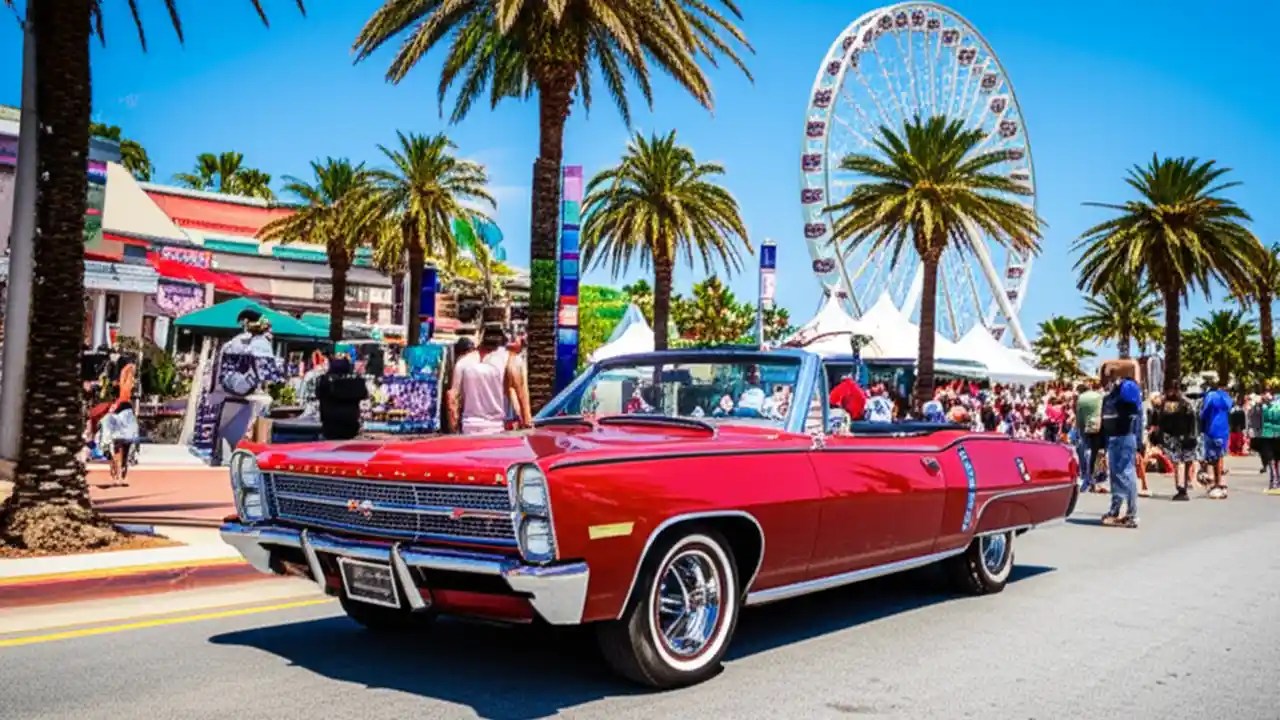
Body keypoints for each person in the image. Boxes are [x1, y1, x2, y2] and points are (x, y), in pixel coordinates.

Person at [450, 326, 531, 435]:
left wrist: (454, 430)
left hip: (468, 427)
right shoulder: (508, 359)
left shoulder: (463, 362)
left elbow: (452, 399)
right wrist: (526, 421)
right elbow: (520, 394)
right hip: (496, 428)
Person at [1100, 372, 1142, 527]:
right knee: (1115, 476)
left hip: (1124, 437)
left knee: (1126, 473)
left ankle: (1131, 513)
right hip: (1113, 438)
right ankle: (1115, 509)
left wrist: (1122, 383)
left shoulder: (1128, 390)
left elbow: (1135, 410)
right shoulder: (1109, 398)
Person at [1155, 386, 1197, 501]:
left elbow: (1163, 422)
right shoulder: (1185, 404)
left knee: (1179, 462)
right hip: (1183, 436)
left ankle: (1181, 487)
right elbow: (1192, 419)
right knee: (1183, 461)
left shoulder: (1171, 405)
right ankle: (1183, 486)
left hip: (1178, 437)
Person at [315, 355, 369, 440]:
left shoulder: (325, 381)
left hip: (330, 425)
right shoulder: (355, 383)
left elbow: (318, 394)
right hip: (350, 425)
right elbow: (364, 394)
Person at [1199, 380, 1232, 499]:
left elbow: (1205, 412)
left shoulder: (1210, 396)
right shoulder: (1226, 397)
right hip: (1223, 429)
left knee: (1212, 458)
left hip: (1212, 428)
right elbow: (1229, 408)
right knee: (1220, 456)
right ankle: (1219, 482)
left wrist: (1201, 420)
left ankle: (1216, 484)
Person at [1074, 381, 1104, 491]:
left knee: (1086, 449)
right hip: (1098, 426)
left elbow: (1079, 415)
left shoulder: (1081, 399)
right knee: (1096, 452)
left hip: (1086, 427)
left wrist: (1079, 428)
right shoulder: (1098, 396)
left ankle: (1087, 475)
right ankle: (1094, 475)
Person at [1258, 391, 1280, 493]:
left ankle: (1274, 483)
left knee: (1271, 459)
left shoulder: (1264, 406)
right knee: (1277, 459)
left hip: (1268, 434)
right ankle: (1276, 482)